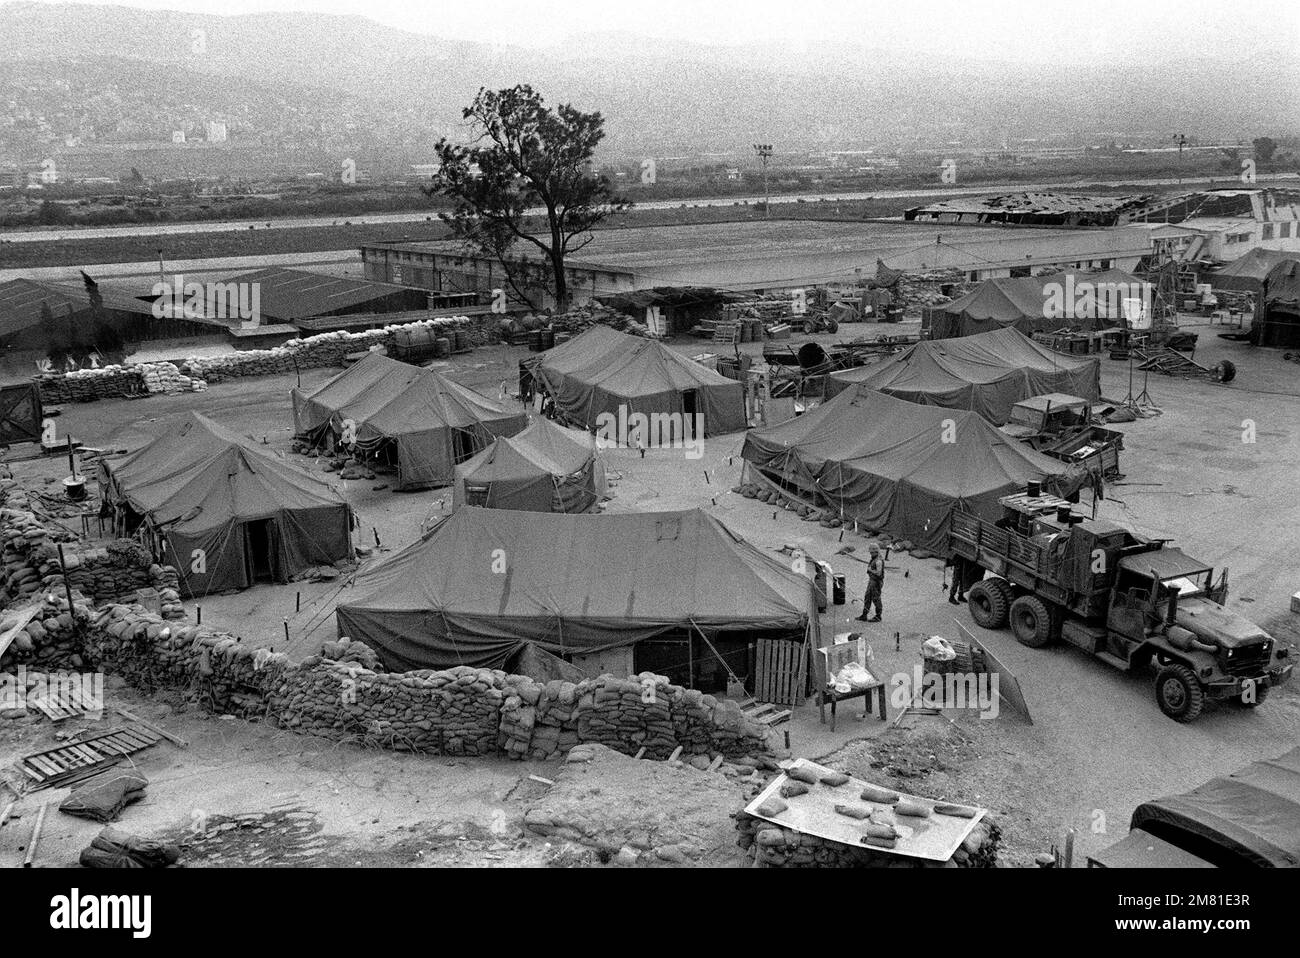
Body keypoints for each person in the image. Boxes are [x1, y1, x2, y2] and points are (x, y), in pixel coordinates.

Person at [856, 543, 884, 622]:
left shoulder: (878, 561)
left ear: (876, 552)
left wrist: (870, 570)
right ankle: (864, 615)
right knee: (867, 597)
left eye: (872, 552)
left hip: (876, 582)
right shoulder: (874, 558)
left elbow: (879, 573)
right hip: (872, 580)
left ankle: (878, 616)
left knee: (876, 598)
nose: (870, 554)